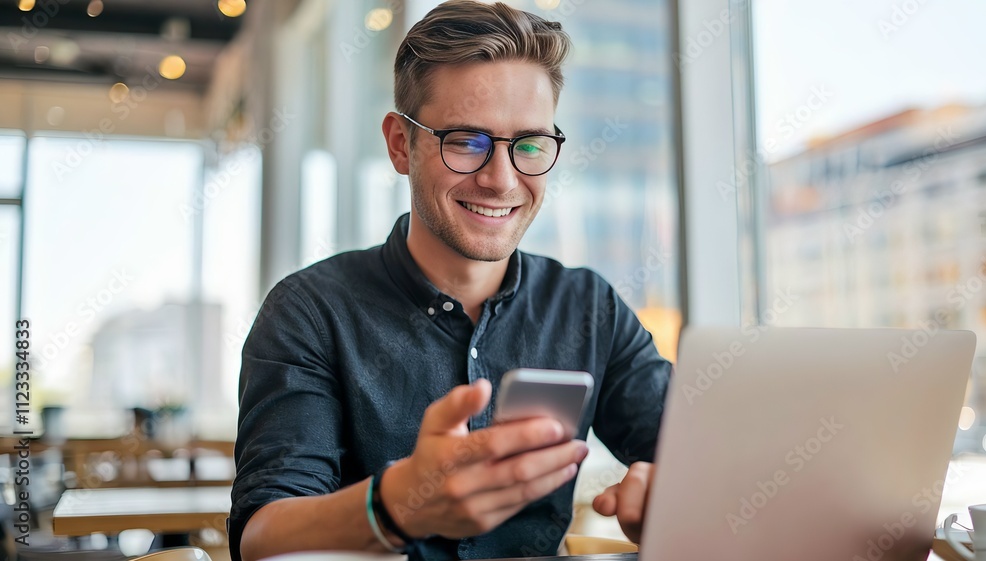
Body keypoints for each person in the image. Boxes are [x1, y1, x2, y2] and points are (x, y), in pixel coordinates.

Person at [229, 2, 671, 560]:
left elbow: (697, 461)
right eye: (466, 141)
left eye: (529, 145)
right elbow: (260, 536)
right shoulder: (310, 311)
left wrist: (672, 496)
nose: (501, 180)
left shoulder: (588, 308)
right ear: (399, 145)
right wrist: (396, 506)